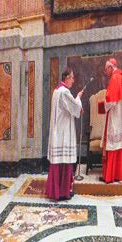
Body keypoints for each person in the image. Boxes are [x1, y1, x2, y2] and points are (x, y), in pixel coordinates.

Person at [45, 69, 84, 200]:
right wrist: (79, 97)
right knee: (65, 162)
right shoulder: (64, 92)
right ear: (66, 78)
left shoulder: (56, 91)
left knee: (59, 162)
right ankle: (62, 192)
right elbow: (75, 108)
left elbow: (70, 107)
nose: (73, 80)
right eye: (72, 78)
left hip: (58, 131)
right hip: (63, 133)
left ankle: (57, 191)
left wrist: (76, 100)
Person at [100, 58, 122, 183]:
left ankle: (109, 176)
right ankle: (118, 175)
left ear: (110, 67)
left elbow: (111, 100)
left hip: (115, 116)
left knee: (112, 145)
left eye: (106, 69)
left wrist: (103, 105)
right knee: (119, 145)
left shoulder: (114, 78)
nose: (105, 72)